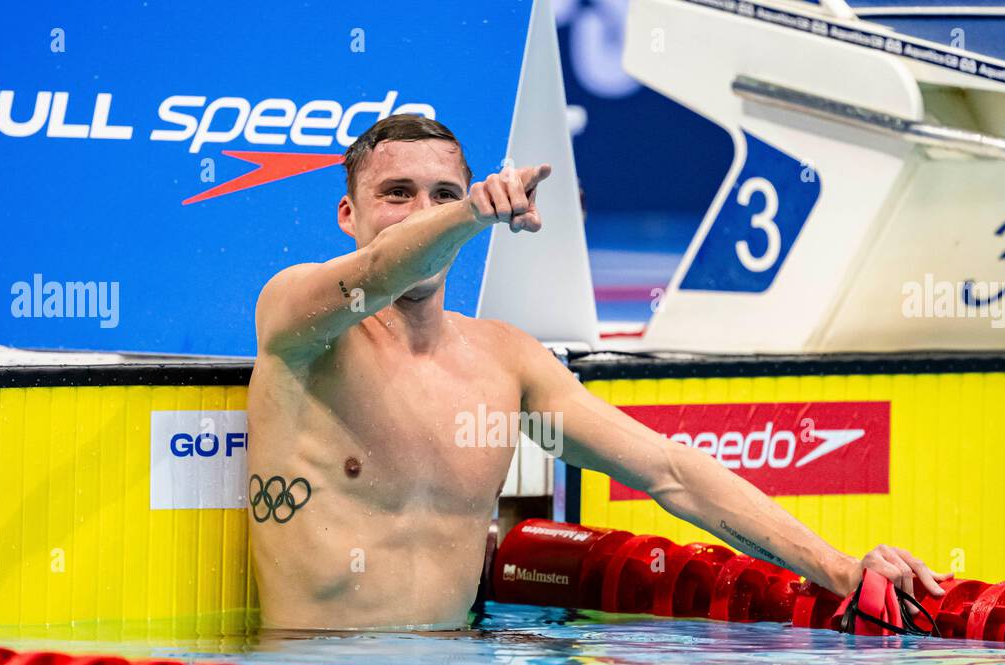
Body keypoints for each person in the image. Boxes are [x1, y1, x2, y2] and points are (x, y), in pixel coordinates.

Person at [246, 115, 949, 629]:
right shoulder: (300, 326)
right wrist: (470, 213)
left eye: (442, 194)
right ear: (348, 213)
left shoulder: (505, 361)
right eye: (396, 193)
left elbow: (670, 470)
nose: (421, 212)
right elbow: (378, 269)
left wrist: (841, 572)